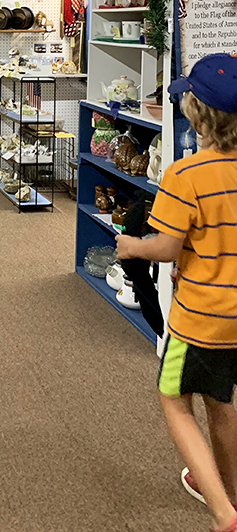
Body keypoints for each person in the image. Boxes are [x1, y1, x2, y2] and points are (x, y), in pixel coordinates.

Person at [115, 53, 237, 532]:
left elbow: (165, 247)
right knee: (220, 400)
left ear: (196, 115)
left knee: (174, 399)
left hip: (201, 315)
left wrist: (132, 246)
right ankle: (229, 489)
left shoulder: (185, 175)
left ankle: (224, 514)